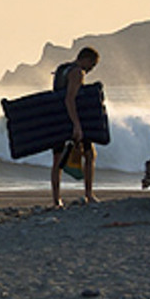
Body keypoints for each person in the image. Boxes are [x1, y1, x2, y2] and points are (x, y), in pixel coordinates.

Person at [51, 46, 100, 208]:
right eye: (92, 65)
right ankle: (88, 195)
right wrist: (77, 126)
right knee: (90, 154)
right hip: (70, 119)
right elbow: (69, 99)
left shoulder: (62, 68)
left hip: (57, 119)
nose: (91, 69)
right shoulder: (77, 72)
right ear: (85, 59)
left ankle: (56, 200)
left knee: (58, 159)